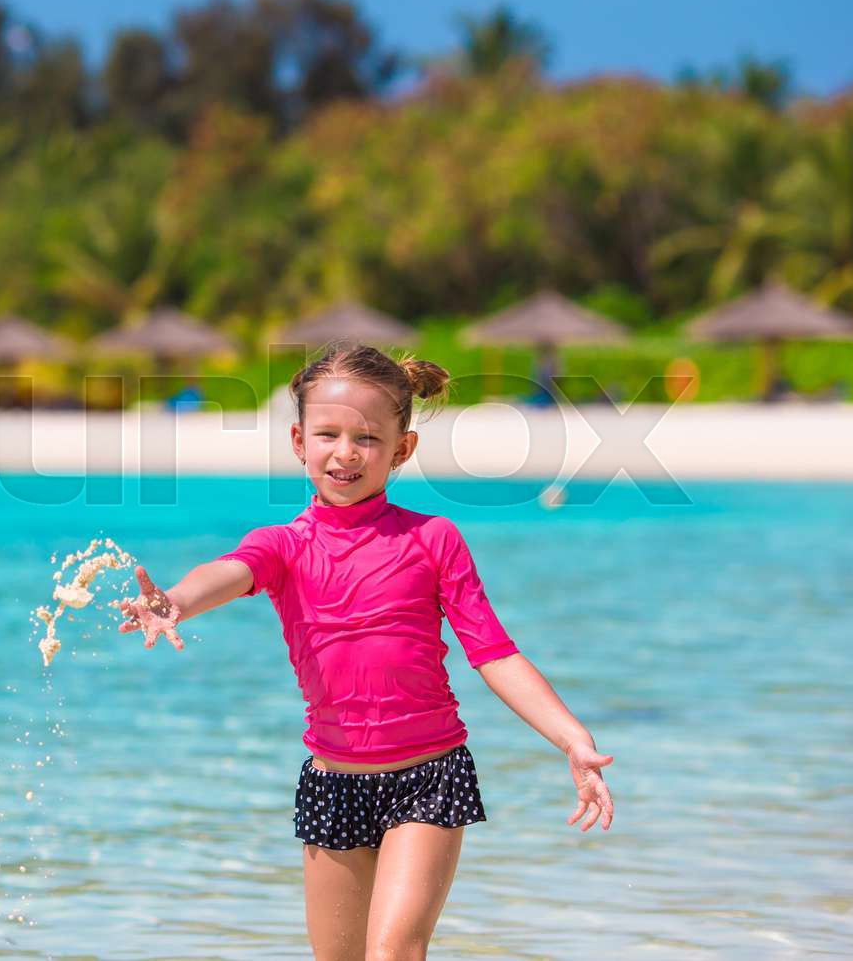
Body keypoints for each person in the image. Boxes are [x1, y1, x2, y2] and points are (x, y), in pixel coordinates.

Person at [116, 341, 615, 960]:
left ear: (402, 449)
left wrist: (571, 738)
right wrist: (178, 602)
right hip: (332, 784)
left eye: (368, 439)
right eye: (328, 435)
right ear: (299, 441)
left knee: (394, 952)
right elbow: (231, 571)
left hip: (429, 778)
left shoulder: (433, 539)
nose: (345, 454)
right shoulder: (284, 545)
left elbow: (494, 653)